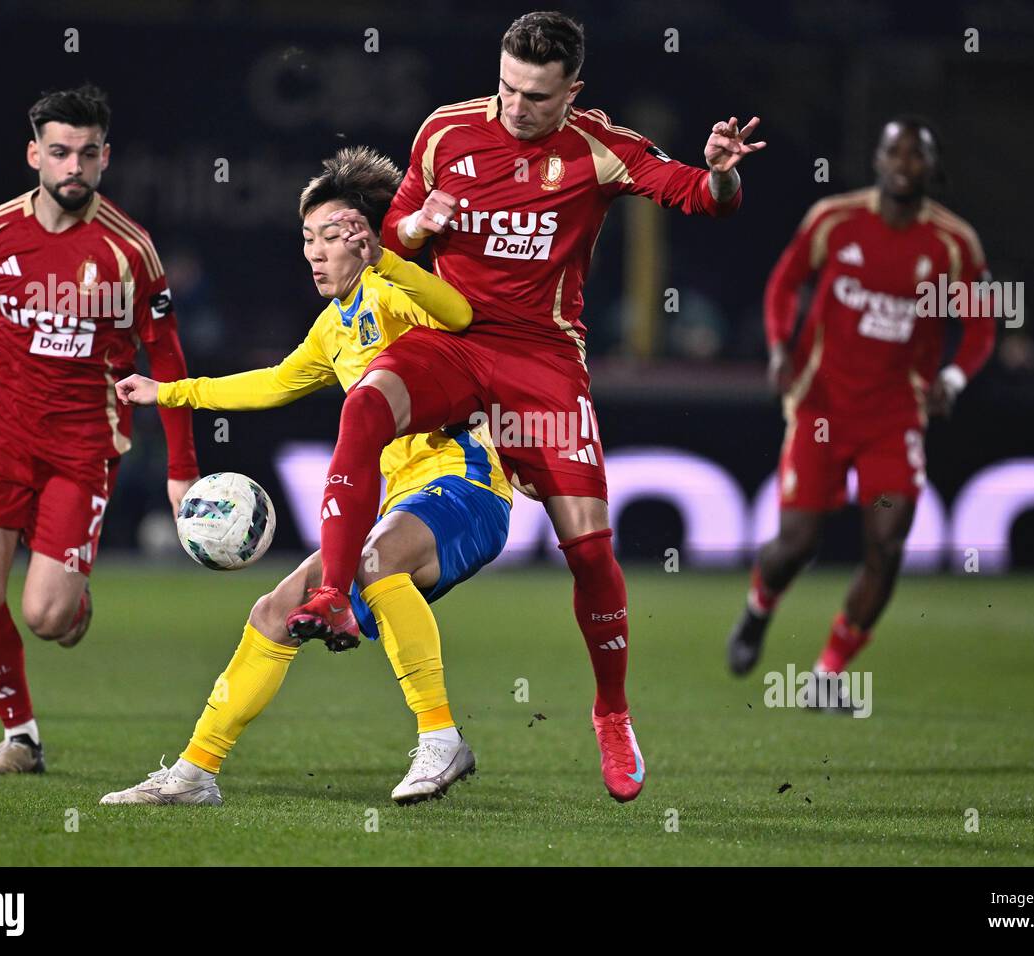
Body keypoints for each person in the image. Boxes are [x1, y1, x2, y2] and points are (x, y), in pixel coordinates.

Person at [284, 10, 765, 802]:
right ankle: (336, 591)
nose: (515, 107)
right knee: (364, 406)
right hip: (455, 340)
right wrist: (417, 222)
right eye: (507, 87)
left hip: (541, 362)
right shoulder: (444, 134)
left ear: (573, 92)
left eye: (537, 97)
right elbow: (396, 236)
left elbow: (701, 199)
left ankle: (612, 712)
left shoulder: (600, 149)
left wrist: (720, 172)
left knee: (587, 551)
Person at [102, 147, 512, 805]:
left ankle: (441, 740)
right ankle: (194, 773)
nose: (316, 252)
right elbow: (273, 383)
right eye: (308, 239)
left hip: (466, 486)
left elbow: (460, 315)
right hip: (400, 504)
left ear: (368, 238)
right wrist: (172, 392)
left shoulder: (395, 290)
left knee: (375, 563)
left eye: (333, 236)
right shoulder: (333, 327)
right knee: (274, 611)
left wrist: (391, 259)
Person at [0, 84, 199, 774]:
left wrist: (181, 470)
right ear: (34, 154)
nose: (74, 165)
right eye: (61, 151)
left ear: (106, 158)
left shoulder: (131, 251)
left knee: (46, 619)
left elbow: (168, 358)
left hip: (82, 447)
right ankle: (21, 739)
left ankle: (69, 598)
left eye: (89, 153)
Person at [726, 117, 994, 703]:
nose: (903, 163)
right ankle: (757, 609)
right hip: (821, 408)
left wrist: (952, 375)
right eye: (893, 151)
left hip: (895, 418)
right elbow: (783, 285)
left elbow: (981, 324)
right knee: (797, 543)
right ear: (877, 159)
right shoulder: (834, 219)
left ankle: (828, 673)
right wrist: (777, 350)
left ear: (931, 166)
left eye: (915, 154)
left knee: (887, 542)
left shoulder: (953, 244)